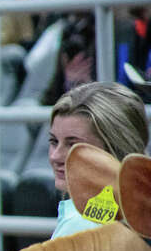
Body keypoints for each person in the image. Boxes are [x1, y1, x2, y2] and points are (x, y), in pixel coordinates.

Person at [47, 82, 148, 239]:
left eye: (72, 145)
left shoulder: (82, 224)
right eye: (54, 141)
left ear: (114, 149)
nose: (55, 156)